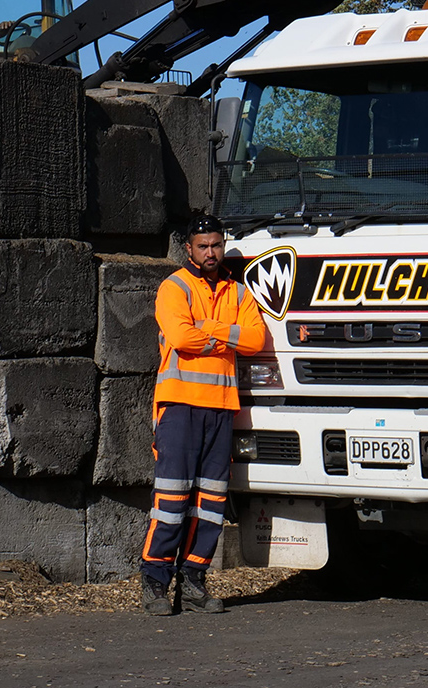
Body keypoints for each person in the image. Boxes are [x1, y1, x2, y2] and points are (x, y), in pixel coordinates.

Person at [140, 214, 268, 615]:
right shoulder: (173, 287)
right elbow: (179, 336)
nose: (211, 252)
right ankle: (155, 583)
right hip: (179, 406)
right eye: (203, 246)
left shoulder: (239, 292)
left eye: (216, 245)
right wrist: (226, 335)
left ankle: (194, 581)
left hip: (221, 408)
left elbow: (255, 338)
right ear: (189, 249)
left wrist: (208, 330)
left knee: (211, 502)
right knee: (171, 499)